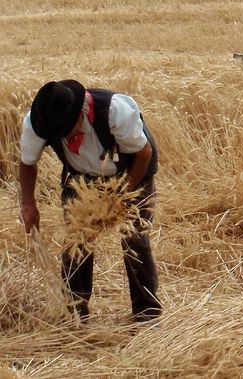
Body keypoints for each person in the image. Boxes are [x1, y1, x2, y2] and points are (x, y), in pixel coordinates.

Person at [18, 80, 162, 322]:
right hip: (81, 179)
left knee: (134, 241)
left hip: (130, 174)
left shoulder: (115, 110)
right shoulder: (39, 122)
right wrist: (28, 203)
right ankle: (75, 314)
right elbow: (27, 162)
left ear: (80, 112)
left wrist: (121, 195)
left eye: (67, 128)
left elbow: (143, 153)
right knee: (77, 243)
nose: (62, 136)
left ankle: (146, 314)